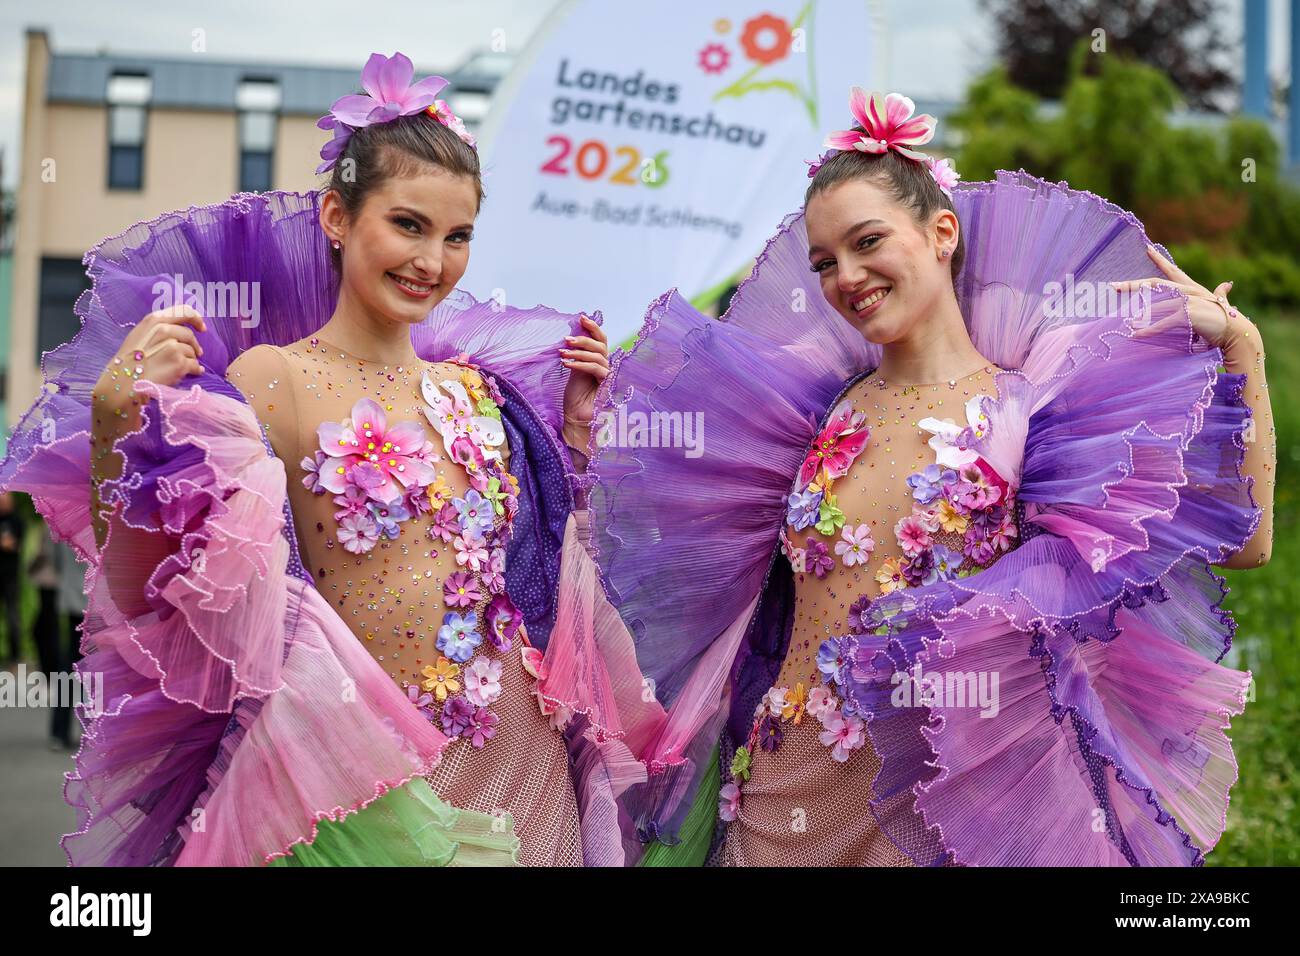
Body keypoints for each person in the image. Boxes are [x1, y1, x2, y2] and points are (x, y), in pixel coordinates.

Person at [546, 90, 1274, 865]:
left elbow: (1247, 541)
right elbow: (662, 544)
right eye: (825, 262)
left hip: (946, 797)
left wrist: (1245, 347)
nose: (846, 276)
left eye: (867, 242)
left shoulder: (1032, 414)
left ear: (941, 232)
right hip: (786, 788)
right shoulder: (808, 410)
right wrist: (592, 438)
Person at [0, 52, 612, 867]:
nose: (433, 260)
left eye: (457, 235)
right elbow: (159, 582)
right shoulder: (275, 380)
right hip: (365, 788)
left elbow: (554, 573)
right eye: (408, 224)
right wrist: (118, 422)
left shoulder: (484, 393)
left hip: (525, 778)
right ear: (335, 218)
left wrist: (575, 441)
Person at [0, 491, 26, 665]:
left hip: (10, 576)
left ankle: (15, 656)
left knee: (12, 616)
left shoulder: (17, 520)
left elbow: (14, 545)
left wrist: (7, 544)